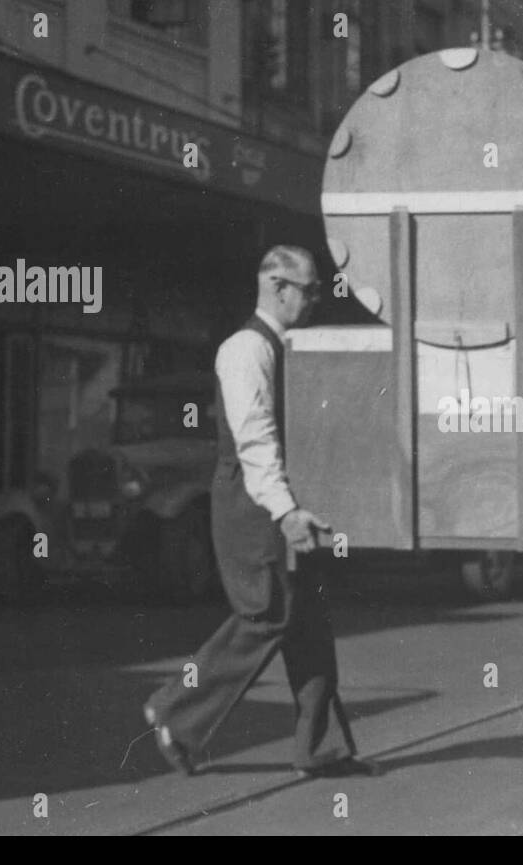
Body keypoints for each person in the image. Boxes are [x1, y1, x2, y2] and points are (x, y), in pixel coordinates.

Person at [143, 245, 376, 778]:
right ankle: (175, 711)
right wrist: (286, 511)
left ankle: (323, 748)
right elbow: (255, 439)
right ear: (277, 285)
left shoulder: (281, 346)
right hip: (255, 502)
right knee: (268, 614)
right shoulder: (246, 349)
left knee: (308, 620)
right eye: (309, 289)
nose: (317, 299)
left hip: (279, 499)